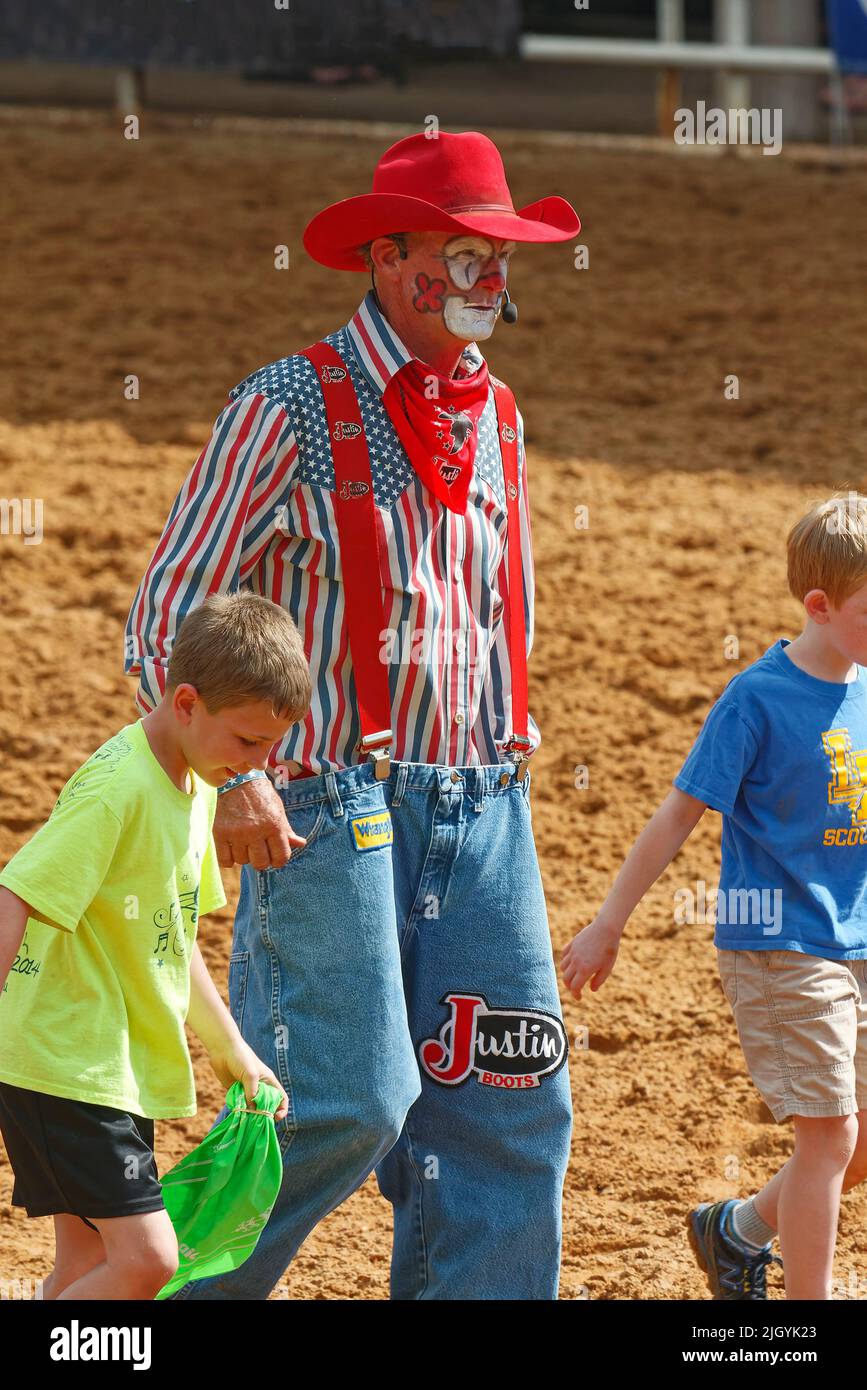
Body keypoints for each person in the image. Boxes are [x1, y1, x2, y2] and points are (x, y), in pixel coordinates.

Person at [123, 129, 581, 1300]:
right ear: (387, 259)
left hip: (486, 804)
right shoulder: (285, 404)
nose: (487, 277)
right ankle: (151, 1301)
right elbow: (170, 607)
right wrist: (230, 777)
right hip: (329, 806)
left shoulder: (502, 418)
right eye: (460, 251)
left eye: (498, 255)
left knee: (509, 1110)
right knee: (342, 1100)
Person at [561, 492, 867, 1301]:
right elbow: (678, 815)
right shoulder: (755, 699)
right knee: (830, 1134)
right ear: (819, 605)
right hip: (780, 942)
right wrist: (607, 925)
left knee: (853, 1143)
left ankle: (733, 1233)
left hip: (858, 939)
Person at [0, 592, 304, 1299]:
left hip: (112, 1065)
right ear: (188, 703)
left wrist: (232, 1050)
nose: (259, 764)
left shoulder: (196, 781)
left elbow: (174, 933)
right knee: (149, 1260)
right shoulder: (119, 789)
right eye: (248, 742)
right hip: (65, 1063)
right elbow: (16, 892)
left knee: (84, 1271)